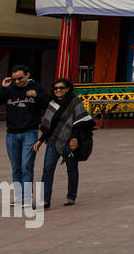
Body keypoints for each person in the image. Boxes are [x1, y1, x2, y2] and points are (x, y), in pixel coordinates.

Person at [0, 64, 49, 209]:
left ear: (27, 75)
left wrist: (37, 96)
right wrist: (2, 88)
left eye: (20, 78)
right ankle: (19, 198)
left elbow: (49, 103)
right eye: (14, 79)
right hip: (11, 134)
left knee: (26, 165)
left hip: (30, 132)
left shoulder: (37, 87)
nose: (17, 82)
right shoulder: (9, 89)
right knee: (16, 167)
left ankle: (26, 198)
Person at [34, 78, 92, 209]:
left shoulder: (75, 102)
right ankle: (44, 200)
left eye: (61, 88)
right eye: (56, 88)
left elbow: (81, 122)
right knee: (47, 169)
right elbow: (48, 125)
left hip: (70, 140)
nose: (58, 90)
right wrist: (40, 140)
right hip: (53, 140)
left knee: (71, 169)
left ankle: (71, 196)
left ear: (67, 89)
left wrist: (74, 138)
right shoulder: (52, 103)